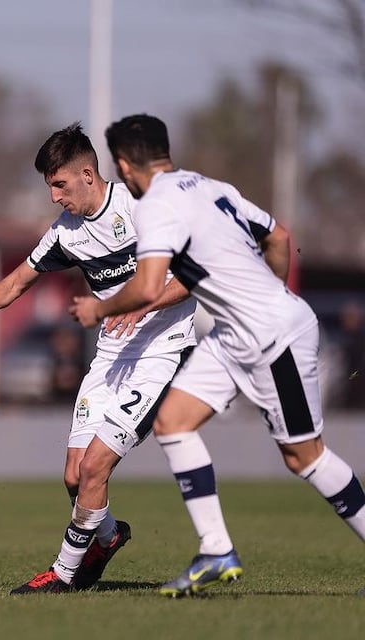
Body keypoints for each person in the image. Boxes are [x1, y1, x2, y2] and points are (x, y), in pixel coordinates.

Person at [69, 114, 365, 597]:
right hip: (234, 335)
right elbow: (279, 237)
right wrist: (263, 291)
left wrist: (98, 307)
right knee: (173, 422)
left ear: (123, 165)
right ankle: (216, 550)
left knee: (303, 457)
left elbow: (146, 285)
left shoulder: (156, 205)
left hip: (274, 335)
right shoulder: (212, 186)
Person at [0, 123, 197, 594]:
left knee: (94, 468)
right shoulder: (66, 233)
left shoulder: (141, 208)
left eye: (59, 184)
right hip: (112, 355)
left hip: (161, 352)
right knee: (74, 475)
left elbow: (195, 274)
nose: (53, 197)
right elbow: (15, 283)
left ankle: (62, 575)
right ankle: (107, 538)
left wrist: (143, 303)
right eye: (49, 185)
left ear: (88, 174)